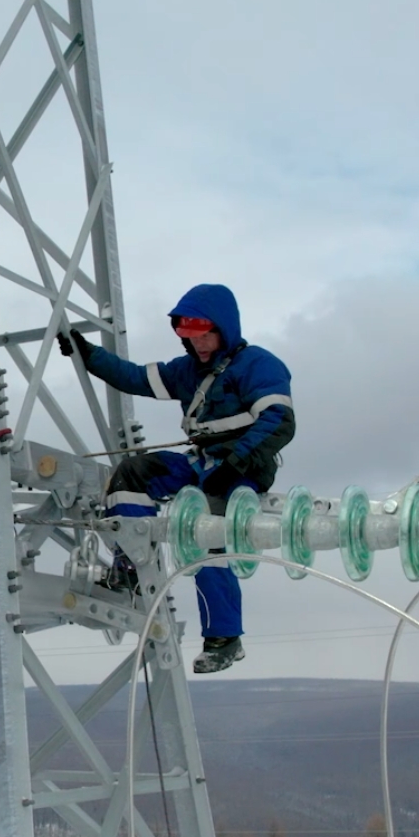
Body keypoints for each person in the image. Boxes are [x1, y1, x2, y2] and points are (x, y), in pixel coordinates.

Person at [61, 284, 294, 674]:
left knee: (207, 533)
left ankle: (224, 638)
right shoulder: (187, 371)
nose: (200, 346)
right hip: (202, 464)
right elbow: (133, 377)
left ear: (225, 330)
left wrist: (234, 463)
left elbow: (279, 422)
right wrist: (88, 355)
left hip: (243, 468)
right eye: (192, 338)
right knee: (133, 474)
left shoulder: (258, 365)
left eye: (206, 336)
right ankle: (131, 569)